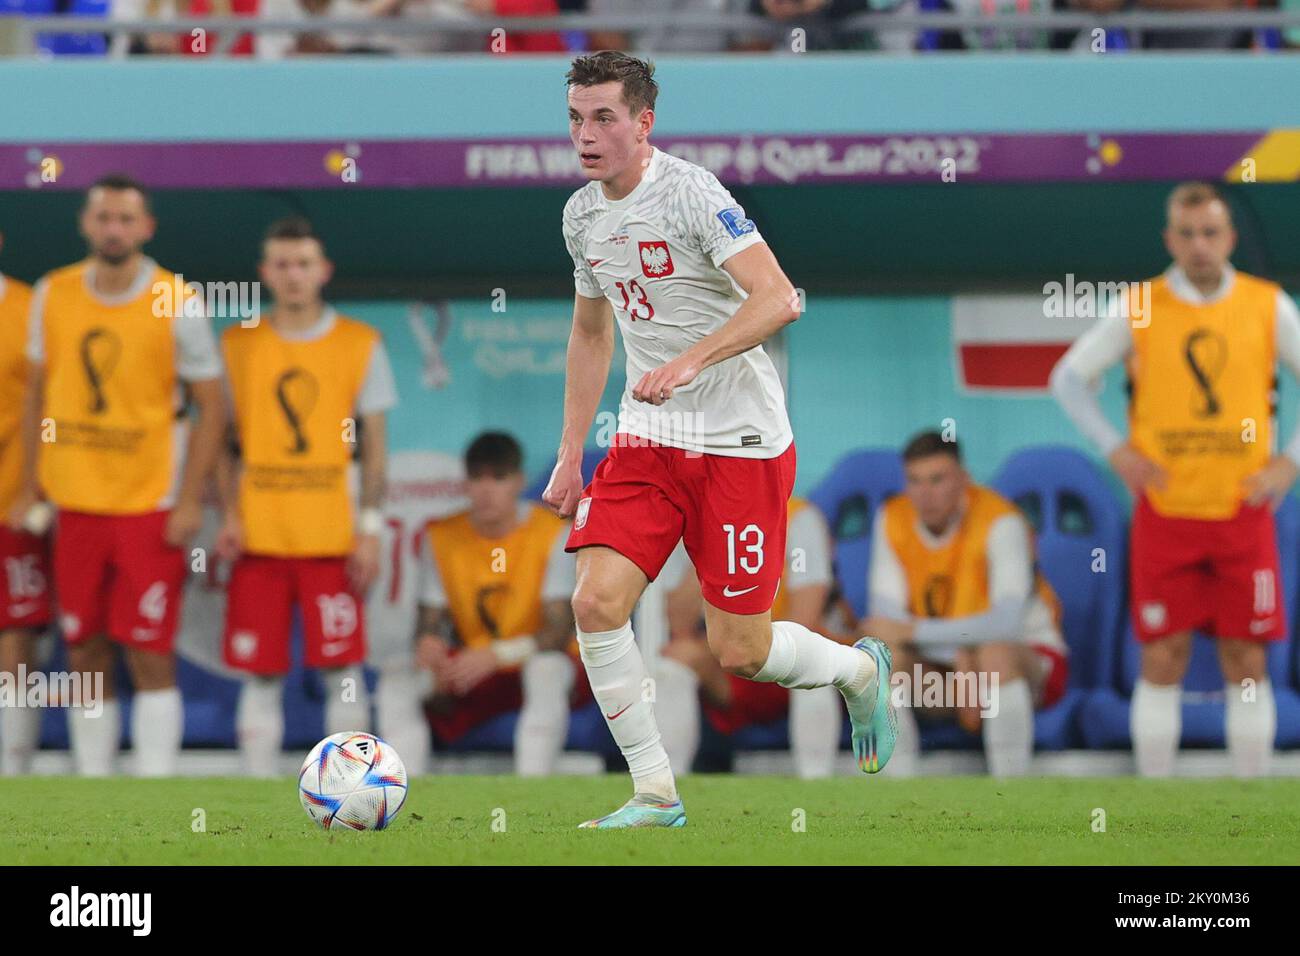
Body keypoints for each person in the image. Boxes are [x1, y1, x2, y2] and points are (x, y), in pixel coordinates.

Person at [544, 51, 895, 829]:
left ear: (644, 123)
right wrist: (572, 453)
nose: (587, 135)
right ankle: (654, 793)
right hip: (646, 440)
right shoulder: (579, 216)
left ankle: (856, 671)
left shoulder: (693, 194)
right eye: (575, 118)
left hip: (740, 441)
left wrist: (689, 360)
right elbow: (591, 331)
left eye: (604, 117)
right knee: (597, 603)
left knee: (741, 649)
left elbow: (780, 298)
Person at [1050, 181, 1300, 777]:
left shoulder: (1268, 305)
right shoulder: (1139, 305)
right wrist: (1116, 449)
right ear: (1170, 239)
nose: (1199, 246)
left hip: (1242, 511)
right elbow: (1067, 378)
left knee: (1247, 657)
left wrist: (1289, 461)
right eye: (1186, 234)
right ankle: (1155, 801)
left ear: (1230, 237)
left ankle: (1250, 800)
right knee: (1163, 654)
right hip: (1166, 512)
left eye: (1210, 232)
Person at [11, 174, 226, 776]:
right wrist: (31, 485)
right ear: (85, 224)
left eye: (126, 219)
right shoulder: (52, 294)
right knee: (82, 645)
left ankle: (154, 790)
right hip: (74, 503)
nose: (114, 229)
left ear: (146, 228)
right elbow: (36, 397)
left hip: (147, 504)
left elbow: (212, 404)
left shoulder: (174, 298)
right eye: (104, 217)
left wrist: (189, 501)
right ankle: (95, 786)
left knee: (150, 651)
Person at [217, 216, 396, 776]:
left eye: (303, 264)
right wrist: (227, 513)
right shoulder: (238, 344)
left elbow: (374, 449)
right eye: (282, 265)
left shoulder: (359, 343)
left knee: (341, 668)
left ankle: (351, 789)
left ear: (324, 270)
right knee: (261, 670)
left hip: (333, 539)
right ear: (265, 273)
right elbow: (219, 444)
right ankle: (254, 794)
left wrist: (368, 529)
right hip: (259, 537)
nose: (293, 275)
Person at [862, 431, 1068, 777]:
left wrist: (960, 659)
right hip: (946, 671)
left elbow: (1007, 625)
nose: (925, 494)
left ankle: (1011, 794)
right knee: (882, 658)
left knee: (994, 655)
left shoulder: (1001, 521)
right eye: (915, 481)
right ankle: (895, 793)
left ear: (963, 479)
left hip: (1027, 663)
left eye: (937, 480)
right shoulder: (892, 518)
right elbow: (886, 622)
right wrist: (957, 661)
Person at [414, 432, 585, 774]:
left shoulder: (551, 532)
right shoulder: (442, 536)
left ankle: (531, 792)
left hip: (534, 661)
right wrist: (428, 642)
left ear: (518, 481)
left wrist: (498, 655)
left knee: (547, 670)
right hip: (477, 665)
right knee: (402, 681)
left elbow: (557, 630)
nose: (486, 490)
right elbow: (430, 619)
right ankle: (399, 791)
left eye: (499, 478)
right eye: (477, 478)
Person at [656, 498, 847, 778]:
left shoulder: (798, 518)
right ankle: (669, 784)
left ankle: (816, 782)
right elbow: (678, 624)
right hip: (730, 668)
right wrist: (716, 546)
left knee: (813, 670)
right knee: (674, 662)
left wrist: (750, 649)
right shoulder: (702, 519)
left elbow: (805, 622)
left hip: (786, 662)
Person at [0, 232, 51, 776]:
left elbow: (47, 401)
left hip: (11, 499)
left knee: (15, 634)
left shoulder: (30, 306)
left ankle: (12, 771)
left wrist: (33, 488)